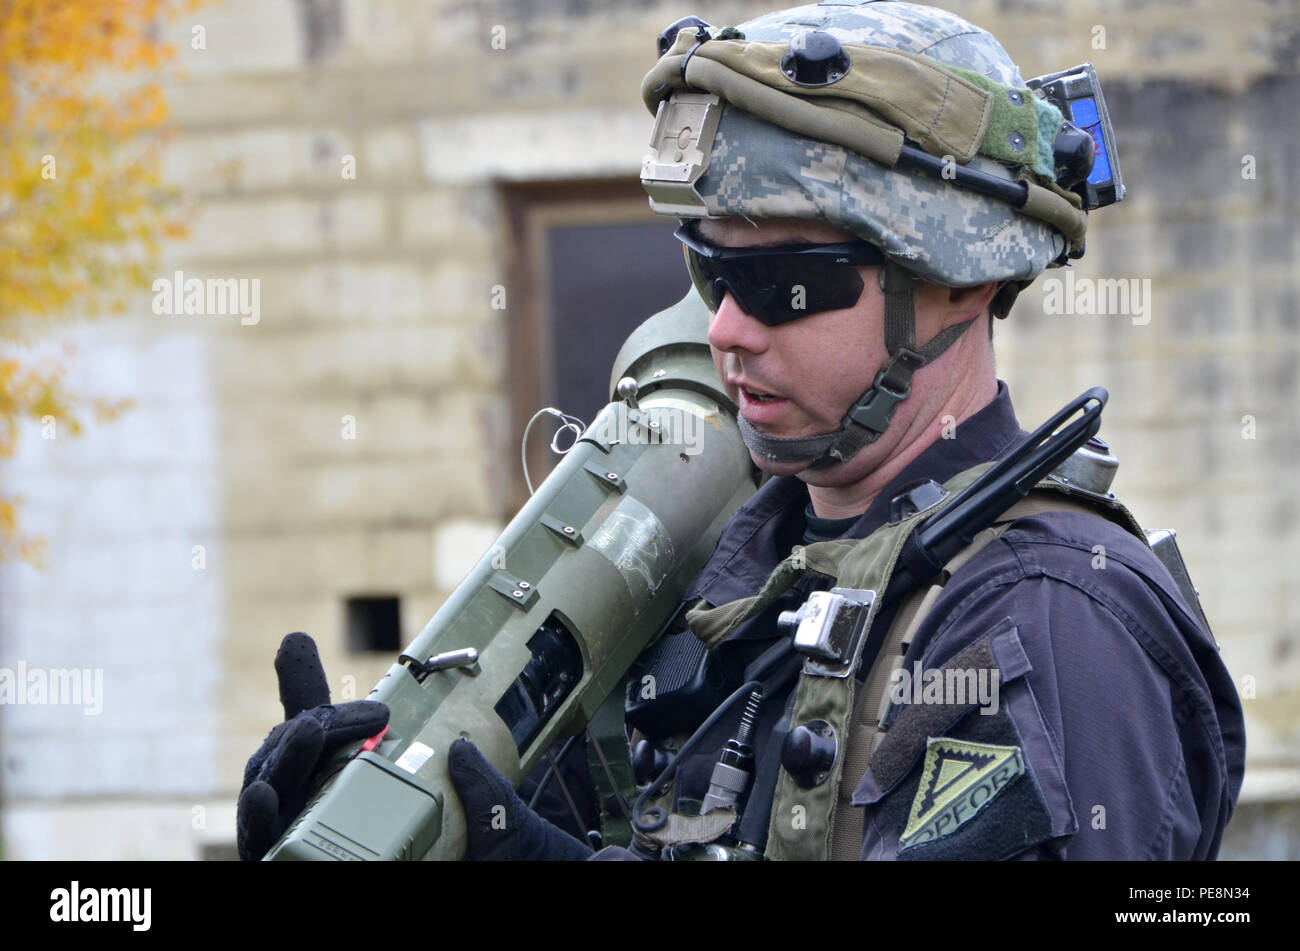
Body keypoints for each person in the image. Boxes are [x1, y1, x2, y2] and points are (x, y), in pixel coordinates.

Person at [238, 0, 1244, 861]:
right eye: (713, 273)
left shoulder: (1050, 623)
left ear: (958, 280)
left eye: (783, 284)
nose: (725, 329)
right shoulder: (728, 588)